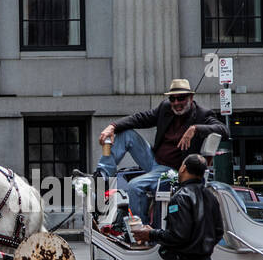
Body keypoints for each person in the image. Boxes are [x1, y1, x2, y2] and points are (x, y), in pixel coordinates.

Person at [97, 78, 229, 224]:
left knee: (134, 186)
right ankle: (102, 175)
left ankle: (140, 231)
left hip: (173, 170)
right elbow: (140, 118)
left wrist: (195, 129)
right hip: (154, 160)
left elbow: (224, 130)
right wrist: (112, 126)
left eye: (181, 98)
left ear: (191, 98)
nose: (176, 103)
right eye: (172, 99)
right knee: (127, 134)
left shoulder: (202, 115)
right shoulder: (165, 108)